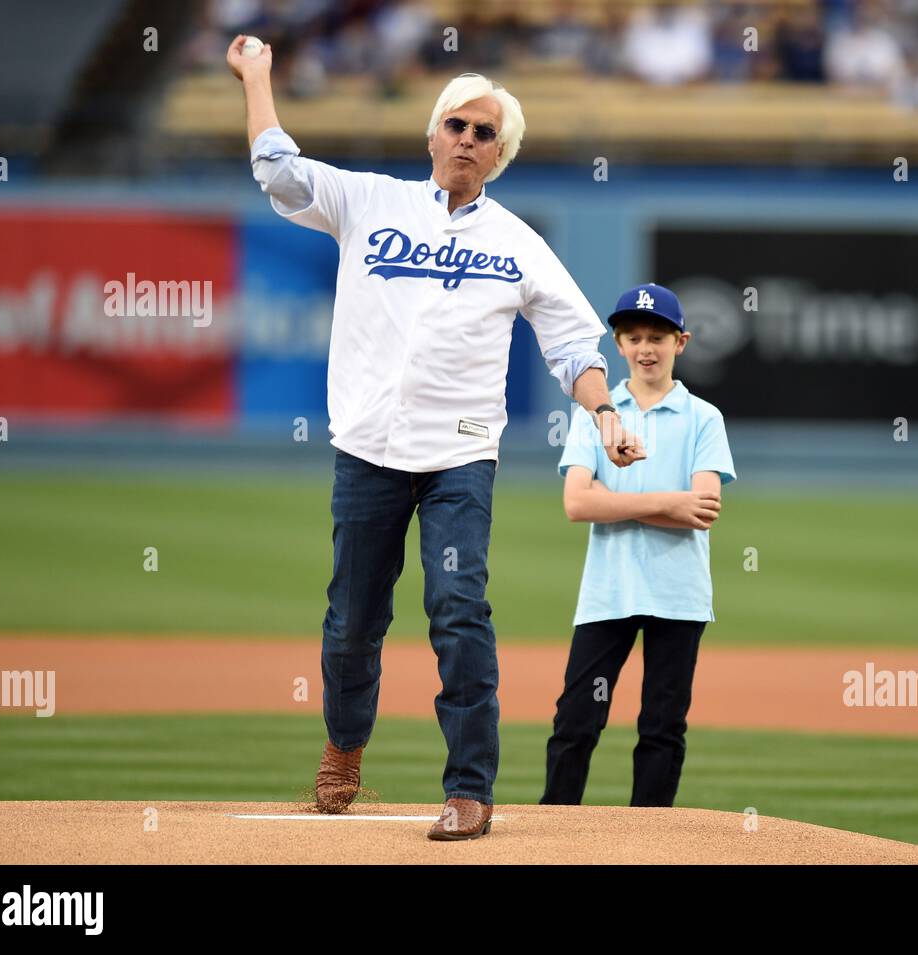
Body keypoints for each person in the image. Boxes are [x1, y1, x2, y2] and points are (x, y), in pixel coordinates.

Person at [226, 37, 646, 841]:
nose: (466, 138)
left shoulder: (519, 241)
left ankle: (469, 788)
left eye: (484, 132)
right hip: (368, 448)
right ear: (432, 135)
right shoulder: (369, 202)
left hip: (458, 452)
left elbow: (570, 347)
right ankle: (345, 747)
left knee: (458, 607)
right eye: (455, 123)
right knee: (352, 618)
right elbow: (278, 169)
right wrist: (257, 76)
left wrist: (605, 413)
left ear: (500, 156)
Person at [541, 283, 736, 808]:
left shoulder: (704, 418)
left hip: (679, 594)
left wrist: (620, 497)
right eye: (634, 337)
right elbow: (577, 503)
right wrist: (667, 503)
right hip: (609, 591)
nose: (646, 348)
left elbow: (702, 510)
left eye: (658, 337)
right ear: (618, 345)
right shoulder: (598, 414)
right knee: (576, 721)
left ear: (682, 342)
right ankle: (553, 832)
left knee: (662, 727)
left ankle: (651, 840)